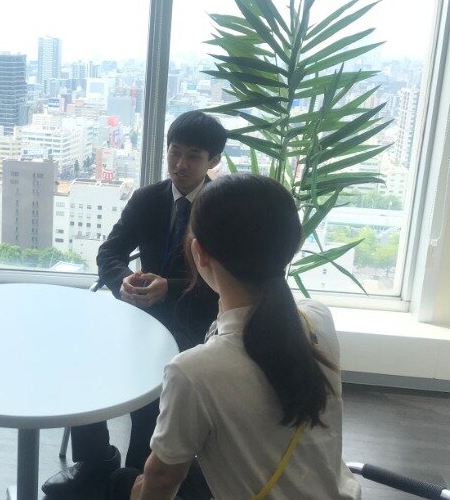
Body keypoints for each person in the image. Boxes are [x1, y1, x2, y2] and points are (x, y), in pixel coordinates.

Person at [109, 174, 361, 499]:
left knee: (121, 481)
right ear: (290, 248)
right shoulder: (317, 318)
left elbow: (160, 482)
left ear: (199, 253)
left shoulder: (193, 371)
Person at [43, 111, 226, 498]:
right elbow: (109, 252)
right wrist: (123, 279)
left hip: (192, 324)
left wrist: (168, 288)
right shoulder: (148, 198)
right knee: (78, 363)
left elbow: (224, 282)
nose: (180, 163)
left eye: (193, 156)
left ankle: (133, 478)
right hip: (138, 315)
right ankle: (96, 462)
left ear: (213, 160)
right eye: (174, 152)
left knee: (151, 399)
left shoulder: (221, 208)